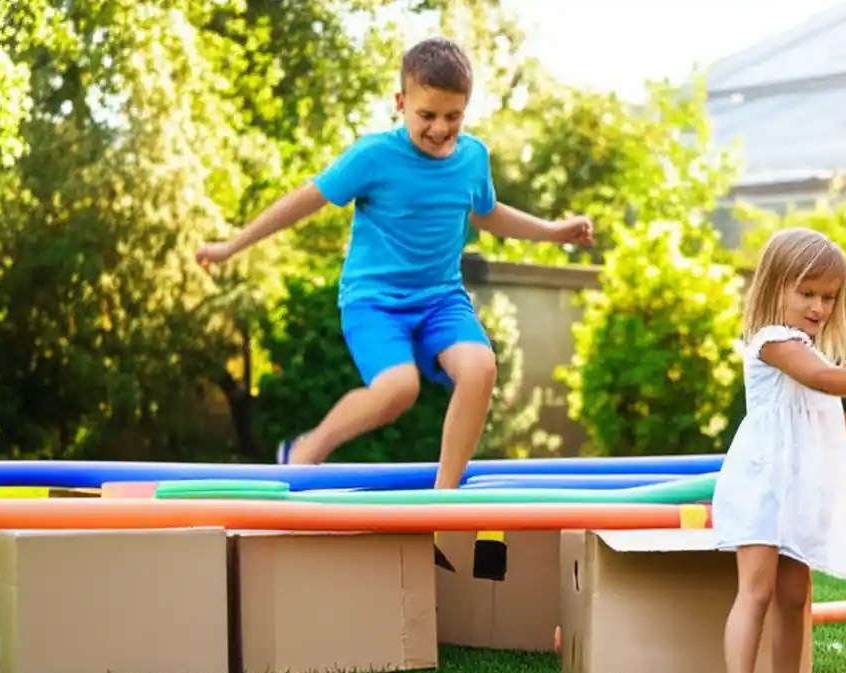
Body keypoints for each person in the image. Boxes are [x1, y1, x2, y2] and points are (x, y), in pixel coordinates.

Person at [194, 37, 593, 490]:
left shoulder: (472, 158)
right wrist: (230, 246)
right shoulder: (374, 156)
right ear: (401, 103)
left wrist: (554, 230)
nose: (441, 129)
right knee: (399, 388)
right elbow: (303, 202)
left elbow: (487, 212)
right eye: (427, 115)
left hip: (442, 301)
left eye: (453, 117)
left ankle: (444, 498)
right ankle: (308, 448)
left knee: (480, 367)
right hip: (375, 303)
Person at [711, 228, 846, 673]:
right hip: (764, 482)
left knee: (795, 594)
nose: (819, 306)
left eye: (829, 297)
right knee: (757, 590)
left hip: (797, 486)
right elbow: (824, 381)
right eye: (808, 293)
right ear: (776, 286)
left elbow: (805, 410)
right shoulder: (774, 341)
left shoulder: (807, 347)